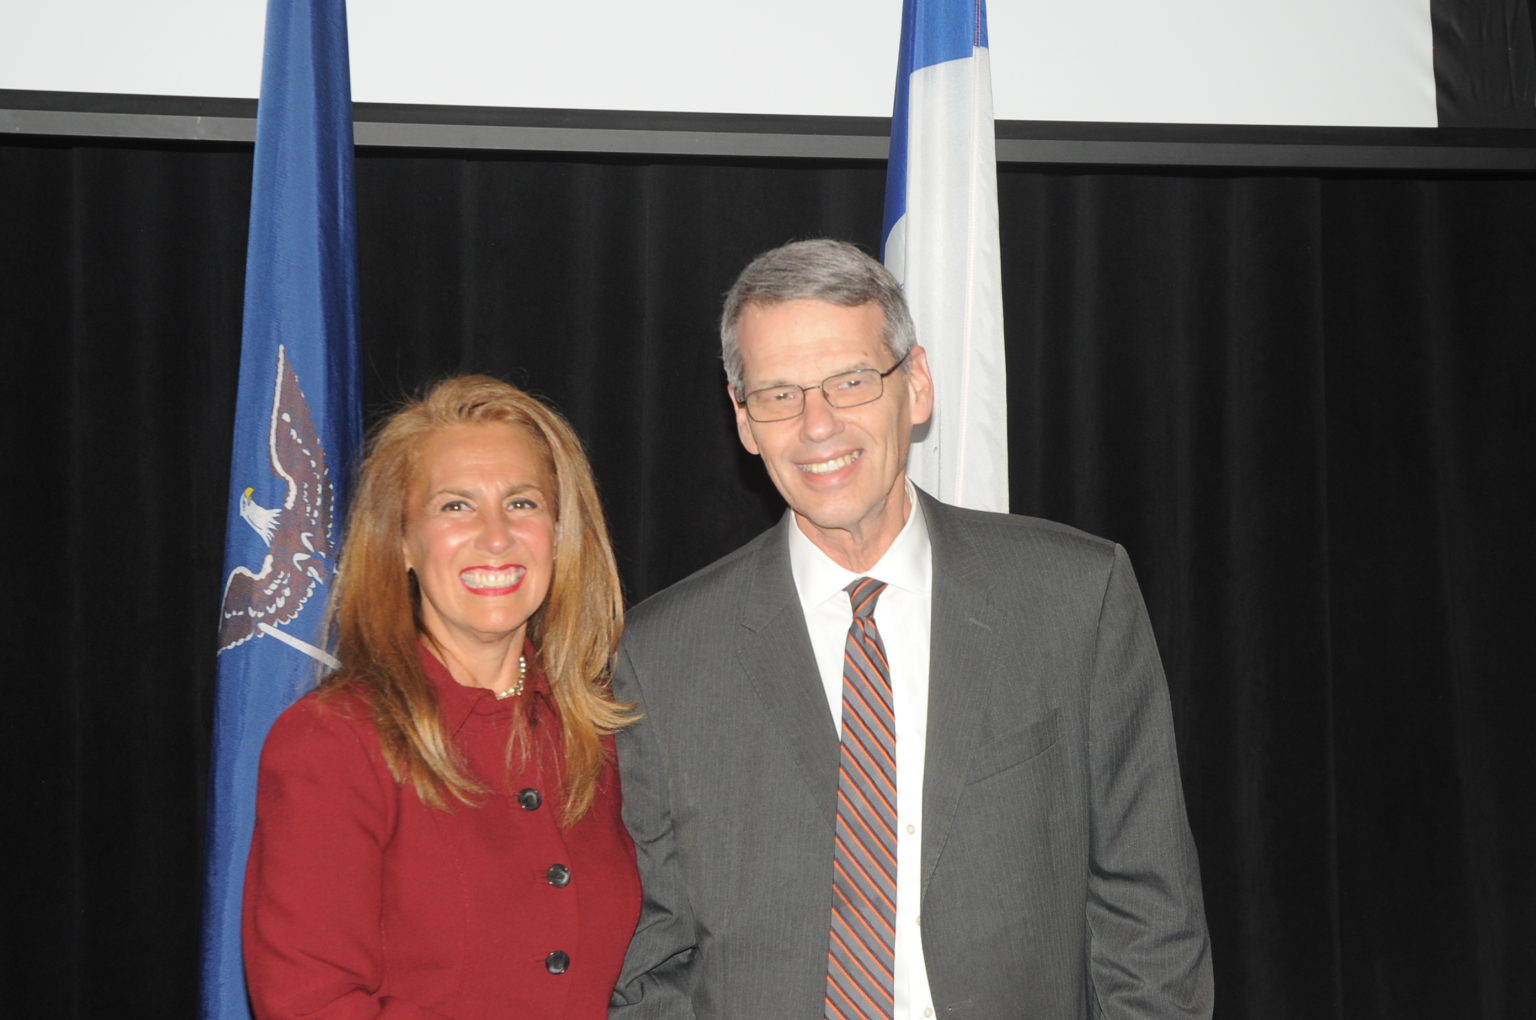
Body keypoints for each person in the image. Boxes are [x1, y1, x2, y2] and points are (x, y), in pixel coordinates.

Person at [609, 240, 1212, 1018]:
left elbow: (1151, 914)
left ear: (916, 385)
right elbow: (653, 956)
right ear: (744, 420)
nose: (817, 425)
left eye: (851, 382)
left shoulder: (1073, 598)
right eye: (779, 394)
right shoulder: (664, 654)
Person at [243, 375, 640, 1018]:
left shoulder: (607, 731)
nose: (494, 536)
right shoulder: (333, 741)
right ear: (401, 540)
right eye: (455, 506)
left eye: (522, 503)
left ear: (561, 532)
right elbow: (310, 1004)